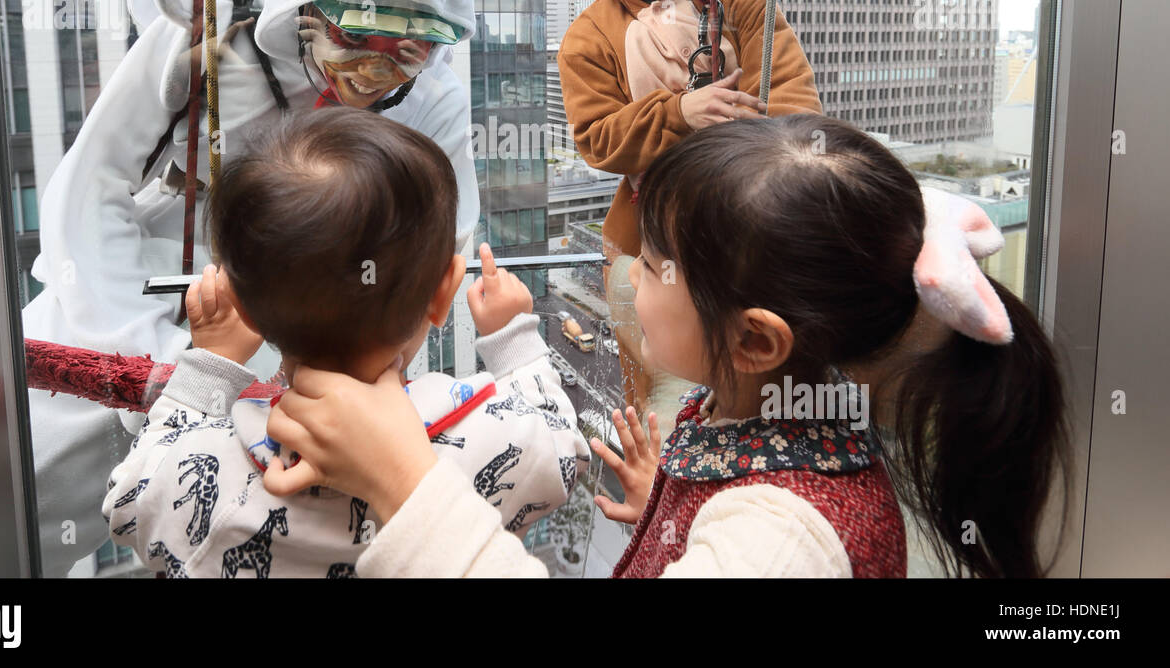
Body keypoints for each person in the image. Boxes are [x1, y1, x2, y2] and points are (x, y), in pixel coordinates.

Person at [260, 115, 1071, 578]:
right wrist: (674, 516)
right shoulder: (755, 418)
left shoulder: (783, 542)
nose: (632, 276)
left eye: (655, 264)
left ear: (754, 339)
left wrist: (405, 481)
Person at [26, 0, 483, 575]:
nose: (377, 72)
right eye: (357, 37)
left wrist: (355, 371)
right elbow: (93, 177)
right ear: (311, 2)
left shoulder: (434, 95)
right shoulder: (211, 39)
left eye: (409, 49)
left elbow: (440, 245)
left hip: (295, 353)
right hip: (118, 306)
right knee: (18, 486)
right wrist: (142, 355)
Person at [102, 107, 588, 577]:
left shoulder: (213, 477)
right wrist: (511, 336)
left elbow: (128, 503)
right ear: (445, 294)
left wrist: (212, 362)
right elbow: (565, 447)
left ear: (244, 308)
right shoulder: (492, 435)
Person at [550, 0, 821, 419]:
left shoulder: (742, 7)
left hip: (752, 239)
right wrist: (681, 113)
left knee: (764, 396)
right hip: (648, 250)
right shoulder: (587, 38)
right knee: (668, 408)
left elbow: (798, 112)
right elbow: (597, 138)